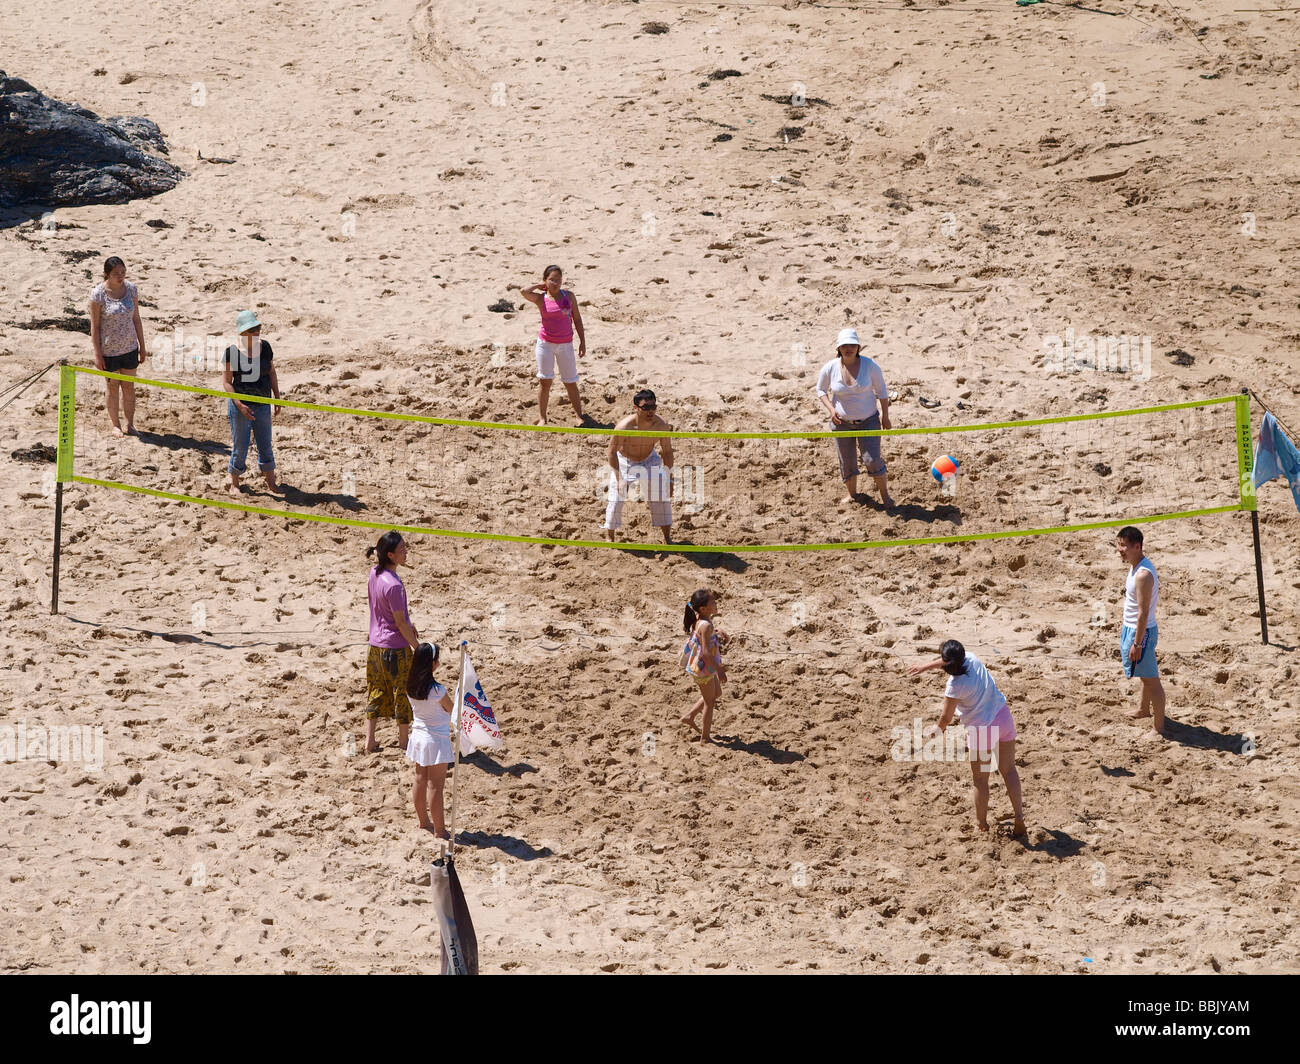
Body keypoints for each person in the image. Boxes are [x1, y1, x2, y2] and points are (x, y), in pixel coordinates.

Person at [909, 640, 1025, 836]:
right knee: (1009, 771)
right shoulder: (972, 658)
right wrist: (925, 666)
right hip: (1003, 718)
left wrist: (938, 730)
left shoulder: (954, 686)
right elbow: (950, 660)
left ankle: (981, 824)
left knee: (980, 780)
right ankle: (1019, 818)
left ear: (947, 663)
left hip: (982, 731)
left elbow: (946, 717)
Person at [815, 327, 894, 507]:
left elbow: (881, 391)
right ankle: (852, 495)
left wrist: (885, 416)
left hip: (869, 420)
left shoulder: (870, 365)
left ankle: (885, 496)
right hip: (841, 423)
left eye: (852, 345)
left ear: (858, 347)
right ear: (839, 348)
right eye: (844, 345)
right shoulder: (830, 367)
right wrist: (830, 409)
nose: (848, 348)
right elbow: (820, 389)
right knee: (847, 461)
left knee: (872, 460)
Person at [365, 532, 421, 753]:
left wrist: (409, 621)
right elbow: (399, 623)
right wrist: (417, 647)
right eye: (401, 550)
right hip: (395, 647)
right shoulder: (394, 585)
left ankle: (369, 741)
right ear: (390, 554)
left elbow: (385, 611)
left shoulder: (374, 574)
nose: (405, 552)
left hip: (375, 645)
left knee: (376, 691)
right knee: (402, 693)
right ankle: (404, 741)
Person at [221, 310, 282, 495]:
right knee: (240, 445)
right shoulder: (231, 353)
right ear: (242, 332)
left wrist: (277, 397)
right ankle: (235, 484)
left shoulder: (266, 347)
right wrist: (239, 405)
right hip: (241, 406)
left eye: (257, 328)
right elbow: (226, 383)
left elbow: (271, 372)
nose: (256, 332)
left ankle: (271, 483)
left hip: (262, 403)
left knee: (265, 443)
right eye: (252, 329)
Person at [604, 389, 675, 544]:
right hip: (625, 461)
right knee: (617, 498)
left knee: (661, 497)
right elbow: (611, 453)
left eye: (653, 407)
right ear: (636, 408)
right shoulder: (624, 427)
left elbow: (667, 452)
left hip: (649, 459)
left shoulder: (661, 425)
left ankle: (667, 538)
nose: (650, 411)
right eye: (646, 407)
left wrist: (670, 479)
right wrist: (620, 478)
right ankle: (610, 537)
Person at [519, 264, 586, 425]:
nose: (556, 283)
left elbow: (577, 319)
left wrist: (582, 341)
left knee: (570, 381)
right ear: (545, 280)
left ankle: (578, 416)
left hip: (565, 345)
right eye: (552, 280)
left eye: (558, 280)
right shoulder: (541, 298)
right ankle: (543, 417)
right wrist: (538, 285)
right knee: (545, 381)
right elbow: (523, 291)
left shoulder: (568, 296)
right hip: (545, 345)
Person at [88, 256, 148, 436]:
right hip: (109, 350)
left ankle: (130, 424)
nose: (120, 276)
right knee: (112, 387)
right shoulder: (98, 294)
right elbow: (95, 326)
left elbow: (136, 319)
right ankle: (116, 425)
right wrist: (98, 354)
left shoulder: (131, 289)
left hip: (130, 347)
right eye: (116, 273)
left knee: (129, 387)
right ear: (107, 274)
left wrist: (142, 346)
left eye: (123, 272)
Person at [1116, 525, 1165, 735]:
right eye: (1118, 544)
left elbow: (1143, 614)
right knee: (1144, 674)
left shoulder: (1143, 575)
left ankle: (1159, 727)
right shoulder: (1134, 565)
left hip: (1141, 632)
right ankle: (1144, 709)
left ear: (1137, 546)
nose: (1120, 550)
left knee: (1151, 680)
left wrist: (1136, 643)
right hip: (1133, 629)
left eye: (1124, 546)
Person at [405, 643, 455, 837]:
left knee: (419, 779)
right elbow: (452, 710)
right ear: (432, 664)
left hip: (418, 736)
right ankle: (440, 830)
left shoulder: (410, 686)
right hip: (436, 739)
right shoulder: (437, 690)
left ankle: (423, 821)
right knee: (436, 786)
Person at [681, 589, 729, 744]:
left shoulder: (700, 620)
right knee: (710, 702)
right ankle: (705, 738)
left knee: (716, 693)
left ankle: (689, 716)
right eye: (713, 602)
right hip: (704, 668)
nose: (716, 604)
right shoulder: (706, 625)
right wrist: (720, 670)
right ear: (703, 608)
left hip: (701, 665)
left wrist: (717, 631)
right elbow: (707, 653)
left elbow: (704, 635)